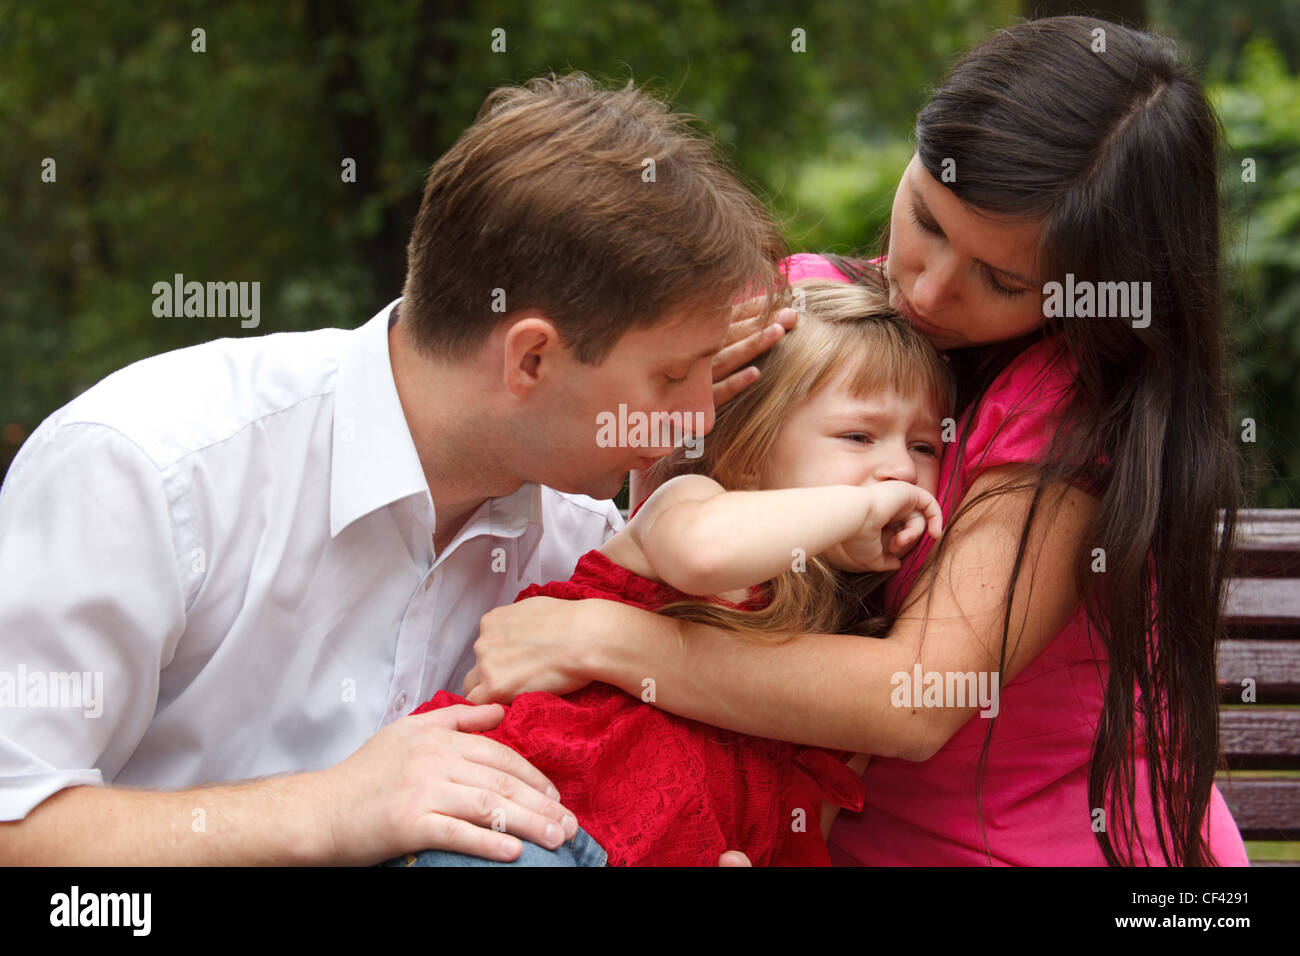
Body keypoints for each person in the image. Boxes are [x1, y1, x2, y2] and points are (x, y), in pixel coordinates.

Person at [462, 17, 1251, 866]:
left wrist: (603, 641)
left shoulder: (1072, 408)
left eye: (1003, 280)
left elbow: (913, 701)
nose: (929, 286)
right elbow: (671, 513)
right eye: (929, 219)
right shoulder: (821, 312)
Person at [0, 72, 794, 865]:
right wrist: (328, 807)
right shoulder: (149, 468)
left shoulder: (581, 544)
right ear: (532, 358)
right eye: (672, 377)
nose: (699, 415)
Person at [384, 279, 950, 866]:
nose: (898, 469)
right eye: (859, 436)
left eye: (925, 447)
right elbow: (702, 556)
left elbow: (799, 828)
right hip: (516, 820)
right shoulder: (693, 505)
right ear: (748, 457)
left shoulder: (845, 652)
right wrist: (857, 510)